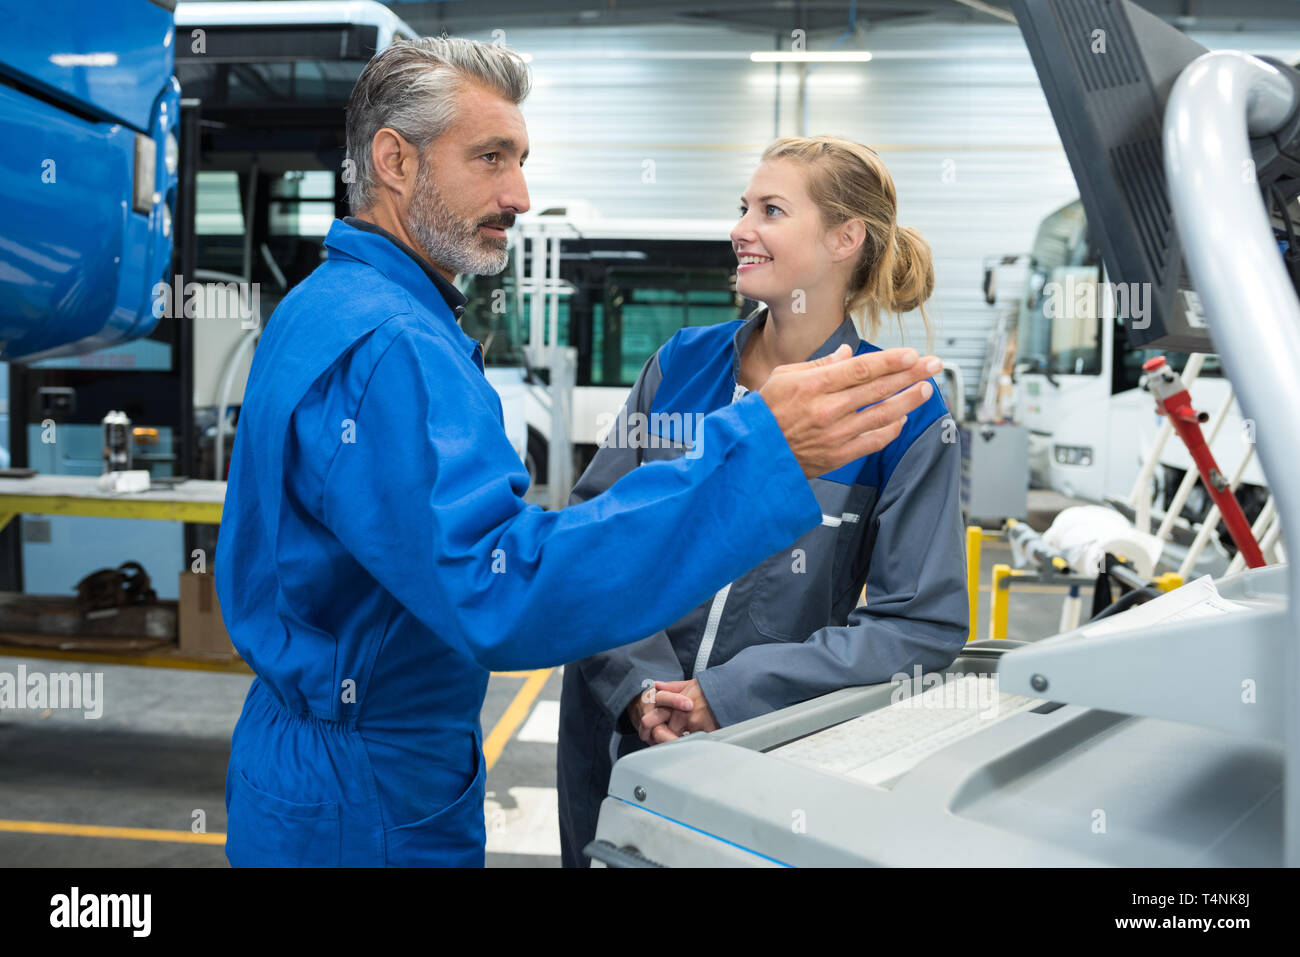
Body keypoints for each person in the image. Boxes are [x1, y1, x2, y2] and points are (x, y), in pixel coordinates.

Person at [215, 40, 940, 867]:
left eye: (520, 160)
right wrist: (761, 456)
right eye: (490, 158)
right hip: (363, 793)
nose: (519, 195)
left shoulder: (330, 305)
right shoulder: (394, 345)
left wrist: (727, 693)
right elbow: (500, 590)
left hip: (328, 769)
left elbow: (915, 618)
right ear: (395, 160)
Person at [556, 136, 969, 868]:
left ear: (846, 238)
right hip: (616, 738)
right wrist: (643, 688)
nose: (740, 228)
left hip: (767, 758)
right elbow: (590, 538)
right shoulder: (678, 365)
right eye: (742, 207)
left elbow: (918, 624)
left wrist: (728, 694)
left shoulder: (898, 412)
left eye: (770, 209)